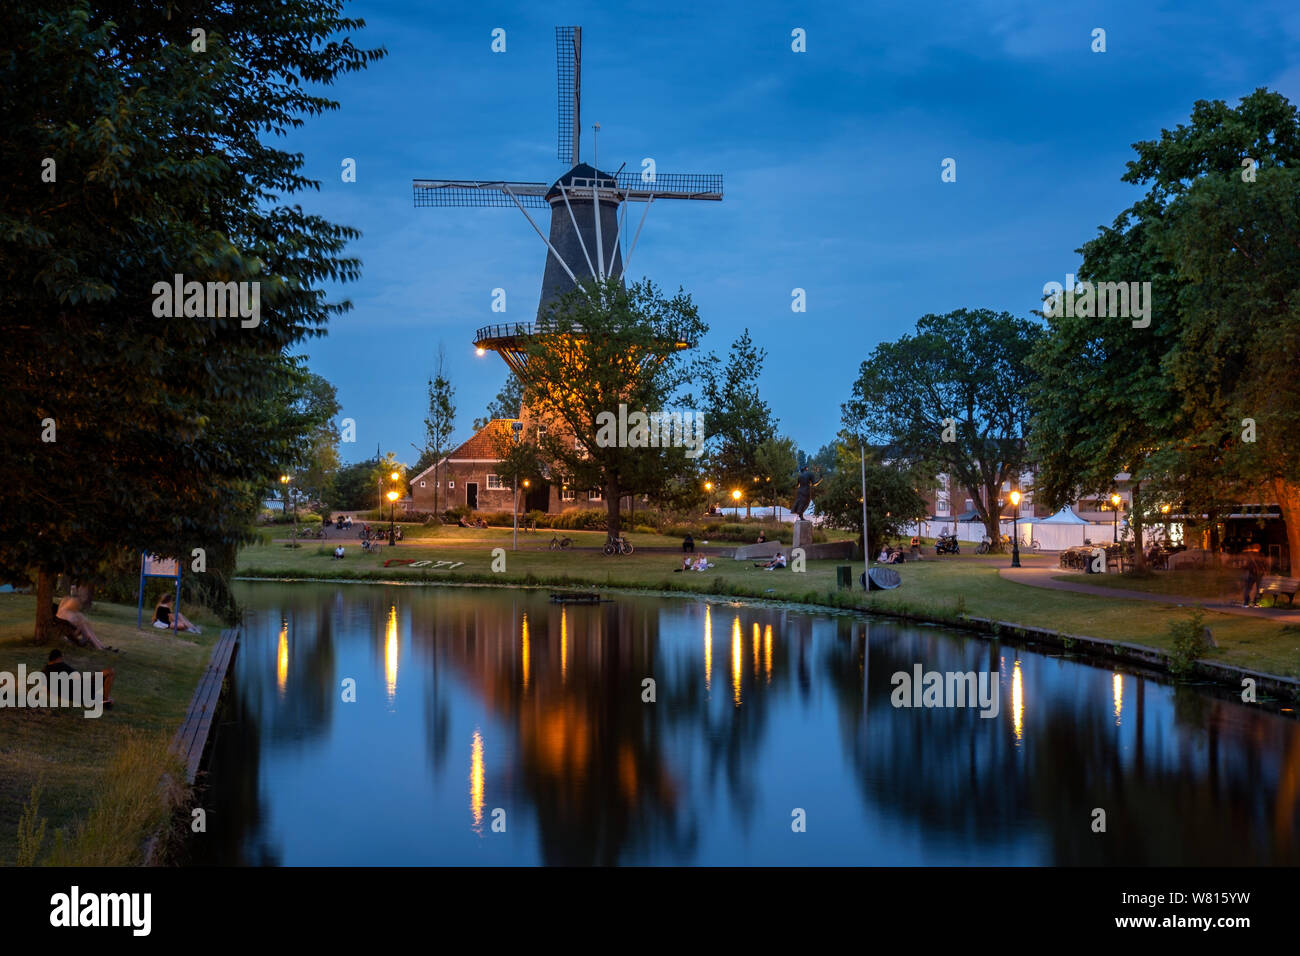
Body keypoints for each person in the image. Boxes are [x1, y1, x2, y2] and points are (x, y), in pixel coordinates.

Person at [44, 648, 115, 709]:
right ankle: (105, 701)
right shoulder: (60, 665)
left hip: (75, 696)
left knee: (108, 697)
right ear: (59, 658)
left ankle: (103, 699)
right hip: (82, 692)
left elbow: (46, 689)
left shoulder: (44, 671)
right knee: (110, 672)